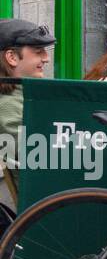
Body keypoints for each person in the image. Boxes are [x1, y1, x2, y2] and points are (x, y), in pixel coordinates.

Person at [0, 20, 56, 186]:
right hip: (48, 195)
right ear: (12, 57)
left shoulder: (26, 96)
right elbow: (42, 154)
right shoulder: (8, 105)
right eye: (39, 51)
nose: (46, 58)